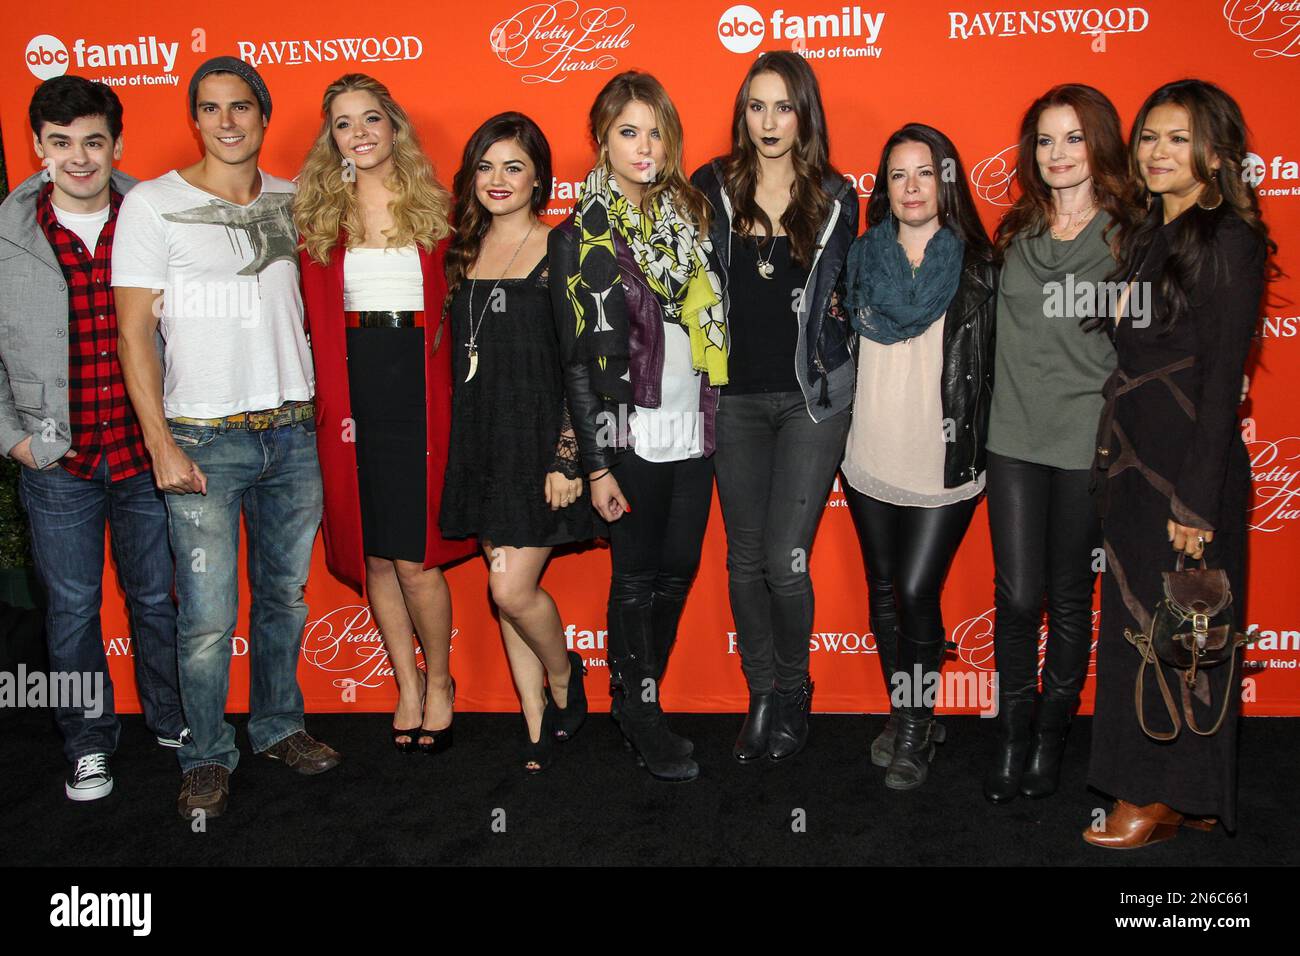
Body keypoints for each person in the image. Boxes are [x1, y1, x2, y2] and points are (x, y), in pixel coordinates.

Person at [115, 57, 340, 821]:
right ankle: (206, 753)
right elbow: (134, 336)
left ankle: (279, 725)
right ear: (196, 119)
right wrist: (160, 445)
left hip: (293, 432)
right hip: (202, 438)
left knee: (284, 597)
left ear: (264, 115)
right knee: (208, 618)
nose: (227, 121)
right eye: (210, 109)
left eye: (241, 106)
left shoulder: (298, 200)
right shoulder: (152, 205)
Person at [1085, 80, 1272, 848]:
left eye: (1177, 138)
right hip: (1133, 462)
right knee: (1151, 627)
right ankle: (1182, 794)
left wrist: (1195, 503)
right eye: (1149, 138)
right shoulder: (1145, 233)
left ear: (1217, 152)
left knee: (1180, 630)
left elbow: (1224, 373)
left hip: (1190, 474)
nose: (1158, 153)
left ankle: (1152, 796)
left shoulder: (1228, 237)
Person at [0, 76, 185, 802]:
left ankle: (174, 722)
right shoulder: (8, 233)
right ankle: (86, 741)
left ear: (116, 143)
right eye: (61, 143)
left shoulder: (153, 219)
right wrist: (15, 441)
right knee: (71, 609)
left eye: (93, 141)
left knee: (156, 601)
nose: (79, 158)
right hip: (57, 463)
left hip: (145, 453)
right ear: (39, 148)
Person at [549, 71, 727, 782]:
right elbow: (575, 364)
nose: (644, 145)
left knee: (677, 573)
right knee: (635, 577)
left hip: (696, 426)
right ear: (602, 139)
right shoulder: (578, 236)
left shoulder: (691, 219)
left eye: (656, 130)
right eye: (629, 130)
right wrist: (595, 464)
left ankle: (636, 695)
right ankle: (639, 709)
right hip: (630, 434)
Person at [295, 73, 474, 757]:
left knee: (415, 560)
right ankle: (406, 682)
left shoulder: (440, 207)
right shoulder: (317, 214)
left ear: (393, 125)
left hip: (420, 393)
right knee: (374, 556)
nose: (360, 132)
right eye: (343, 123)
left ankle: (443, 683)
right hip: (351, 394)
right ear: (331, 139)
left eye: (371, 118)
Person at [690, 51, 856, 762]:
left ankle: (794, 691)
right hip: (732, 401)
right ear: (741, 114)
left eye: (782, 106)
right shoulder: (711, 187)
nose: (768, 121)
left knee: (786, 562)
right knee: (743, 559)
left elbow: (854, 296)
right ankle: (762, 695)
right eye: (756, 106)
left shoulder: (837, 196)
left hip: (809, 403)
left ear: (804, 114)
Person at [982, 85, 1140, 803]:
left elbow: (1153, 338)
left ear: (1100, 143)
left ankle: (1051, 739)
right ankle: (1012, 735)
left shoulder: (1128, 235)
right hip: (1011, 435)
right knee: (1017, 597)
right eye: (1045, 140)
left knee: (1071, 597)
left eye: (1073, 138)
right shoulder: (1015, 229)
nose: (1057, 154)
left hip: (1085, 439)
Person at [440, 111, 598, 772]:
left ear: (539, 178)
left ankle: (566, 679)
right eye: (485, 166)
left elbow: (585, 362)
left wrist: (569, 455)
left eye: (513, 166)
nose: (497, 180)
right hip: (481, 440)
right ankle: (536, 726)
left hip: (540, 445)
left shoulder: (565, 249)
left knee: (510, 590)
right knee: (501, 590)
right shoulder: (458, 253)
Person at [840, 124, 997, 790]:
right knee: (882, 593)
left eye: (925, 173)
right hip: (869, 448)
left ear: (948, 182)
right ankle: (909, 710)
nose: (911, 188)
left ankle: (912, 724)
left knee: (914, 591)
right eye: (898, 175)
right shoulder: (859, 257)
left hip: (940, 457)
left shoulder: (980, 266)